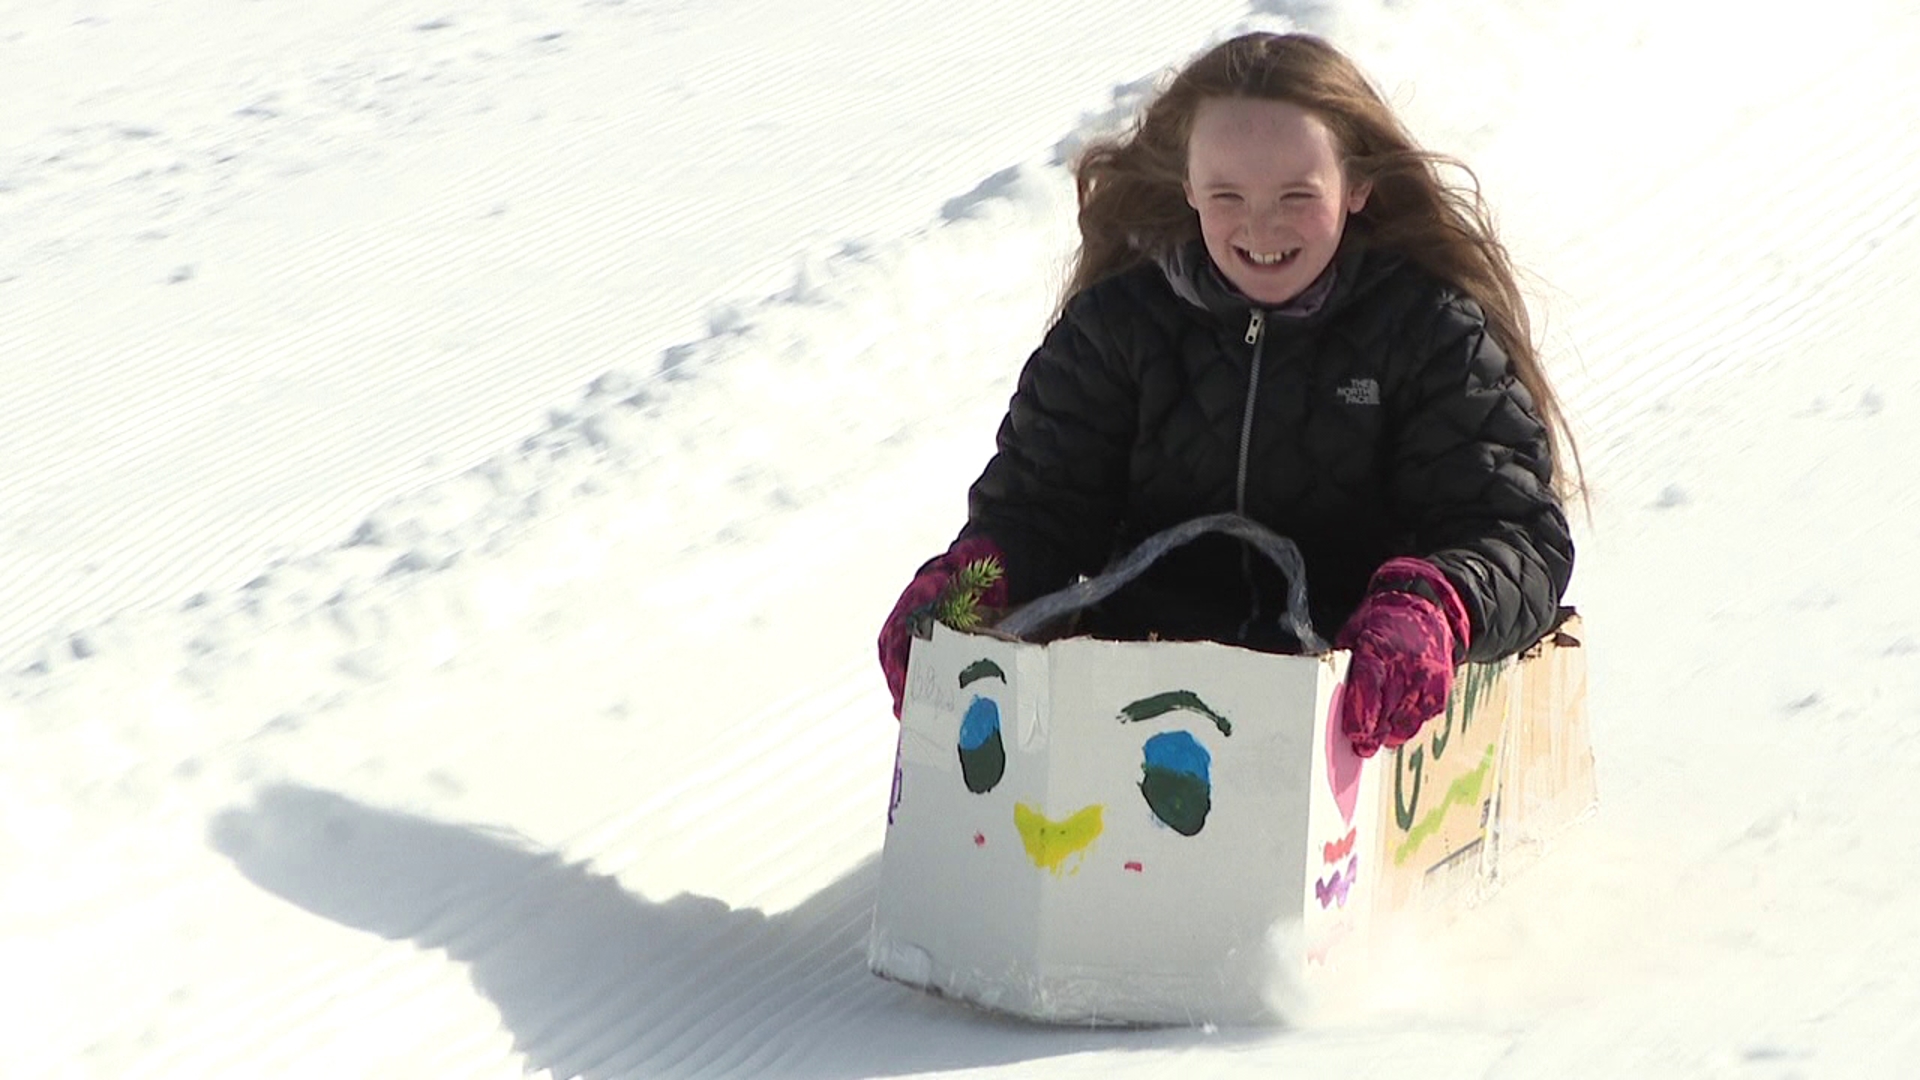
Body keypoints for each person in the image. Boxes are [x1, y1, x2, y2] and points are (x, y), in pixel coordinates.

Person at [878, 31, 1577, 757]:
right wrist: (972, 582)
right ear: (1189, 188)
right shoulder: (1118, 328)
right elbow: (1042, 508)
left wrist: (1434, 606)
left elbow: (1513, 532)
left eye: (1297, 196)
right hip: (1140, 694)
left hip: (1348, 693)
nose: (1261, 226)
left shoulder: (1430, 333)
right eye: (1228, 195)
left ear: (1357, 187)